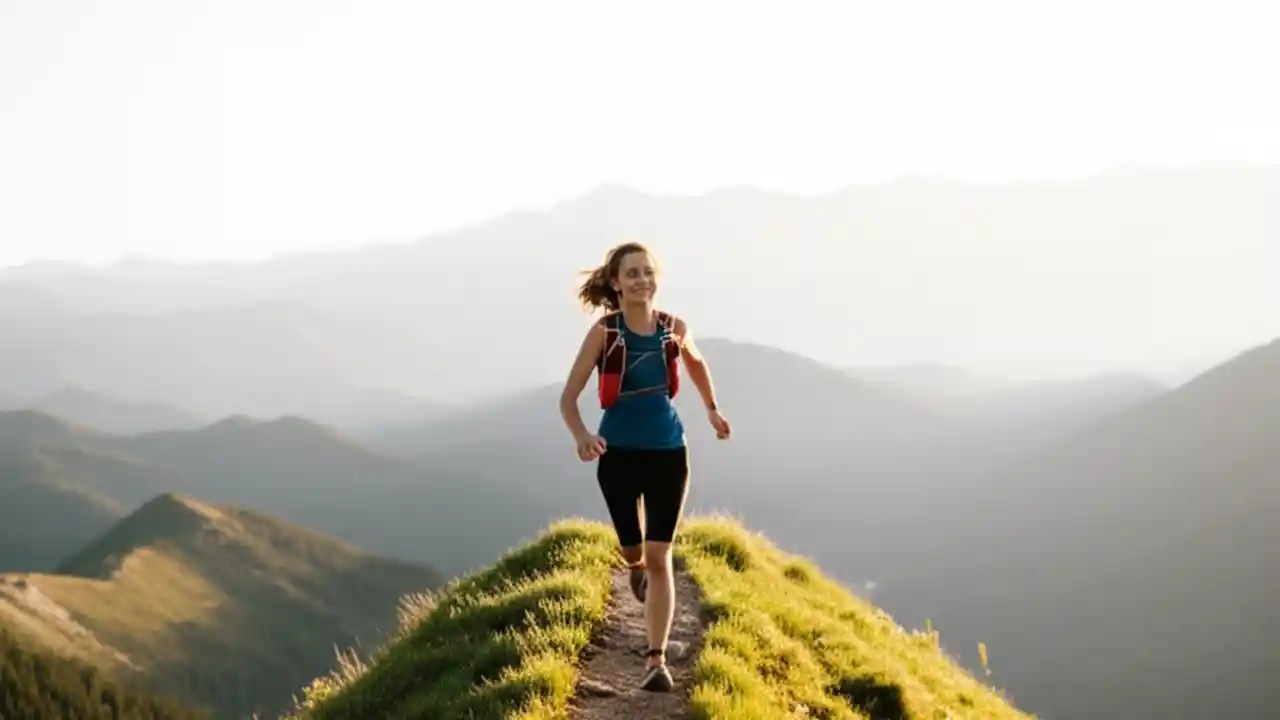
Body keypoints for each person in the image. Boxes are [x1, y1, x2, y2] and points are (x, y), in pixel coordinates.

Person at [558, 241, 732, 693]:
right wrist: (582, 436)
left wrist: (712, 409)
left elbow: (696, 362)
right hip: (616, 456)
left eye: (648, 272)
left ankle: (656, 660)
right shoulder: (604, 333)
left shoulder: (673, 328)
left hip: (668, 452)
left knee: (660, 557)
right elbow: (568, 398)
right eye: (632, 273)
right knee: (634, 553)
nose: (642, 280)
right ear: (616, 283)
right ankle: (633, 569)